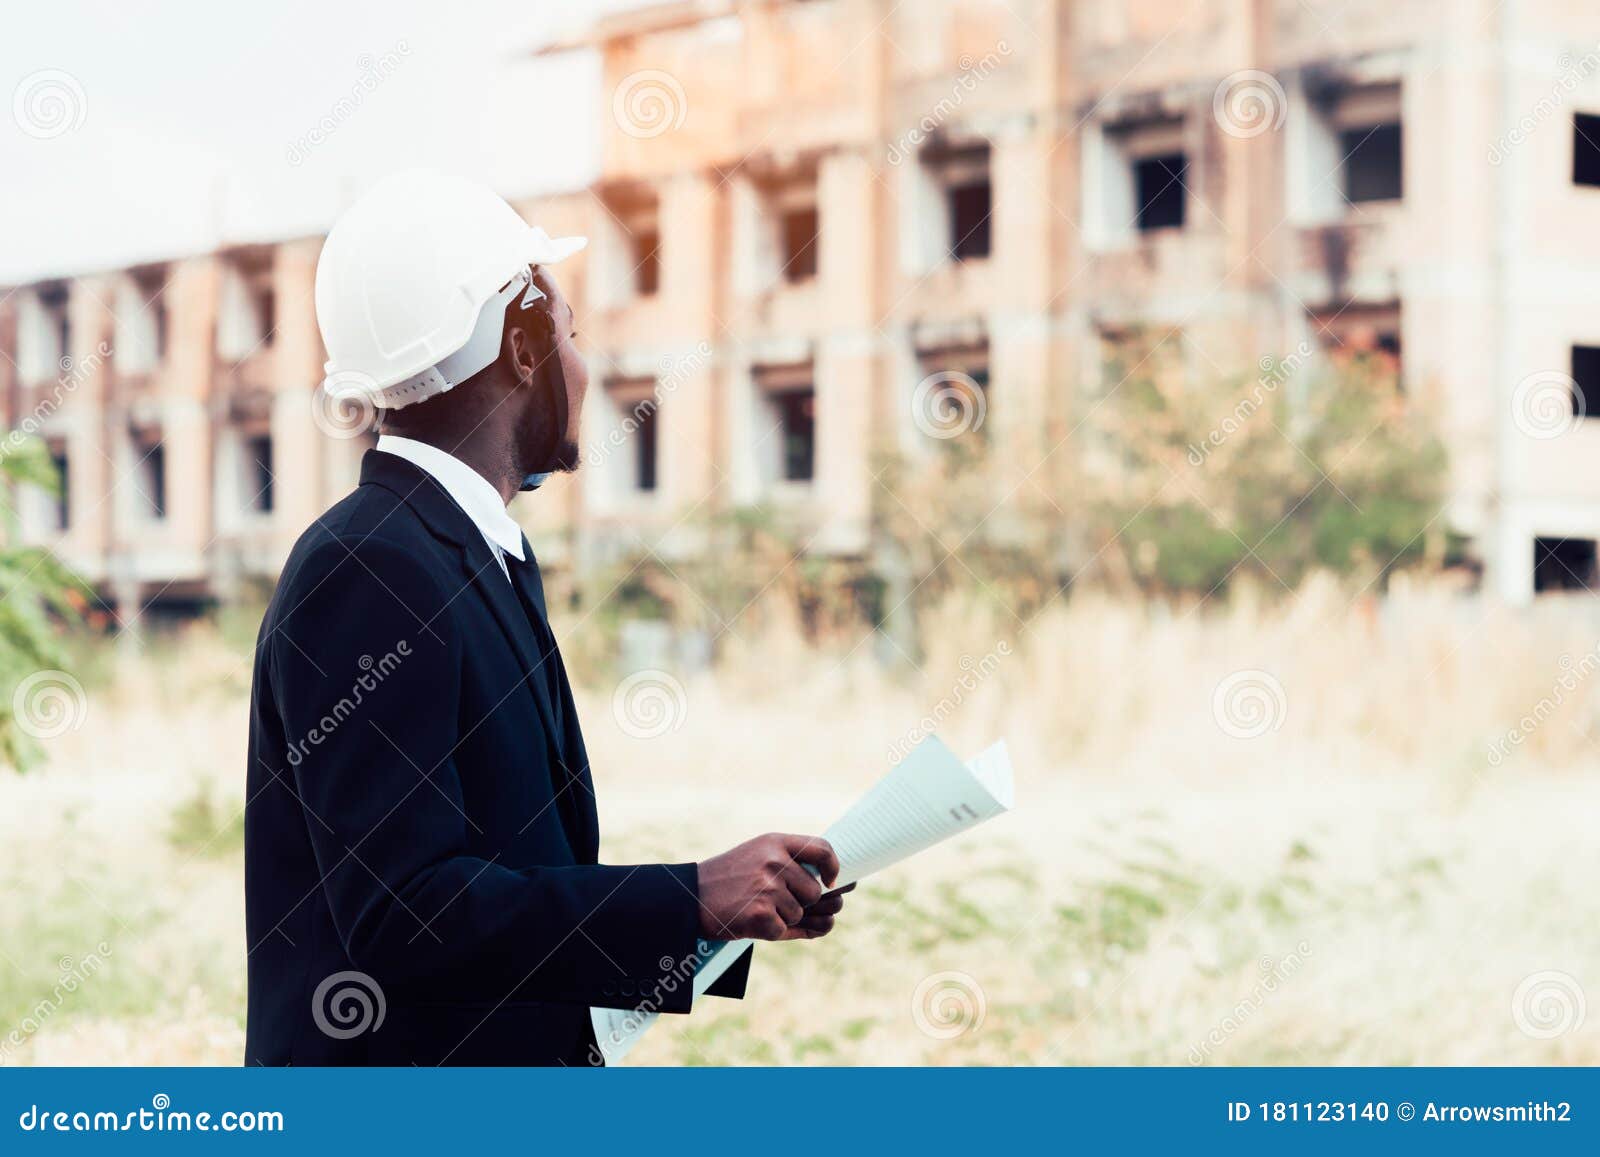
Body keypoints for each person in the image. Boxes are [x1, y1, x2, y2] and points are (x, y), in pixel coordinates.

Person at [243, 171, 848, 1066]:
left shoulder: (467, 551)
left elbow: (509, 881)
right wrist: (689, 897)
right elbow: (406, 911)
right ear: (524, 346)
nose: (584, 366)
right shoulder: (371, 564)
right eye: (571, 333)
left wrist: (727, 914)